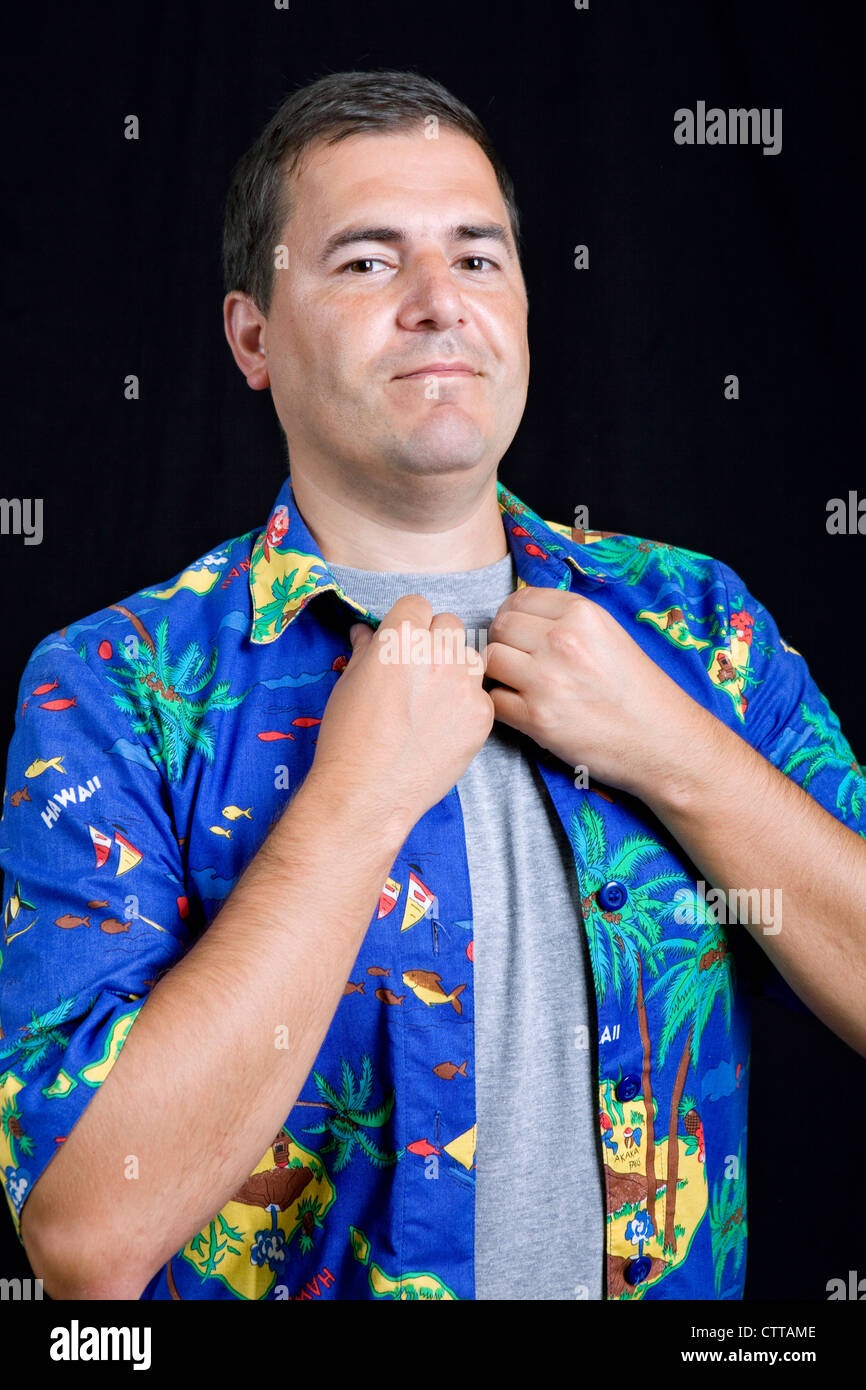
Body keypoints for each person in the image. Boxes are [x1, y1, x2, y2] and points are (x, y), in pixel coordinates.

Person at [1, 68, 864, 1303]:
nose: (435, 305)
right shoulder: (116, 687)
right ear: (251, 336)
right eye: (363, 262)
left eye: (476, 257)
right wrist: (354, 798)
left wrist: (680, 754)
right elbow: (85, 1235)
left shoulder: (694, 627)